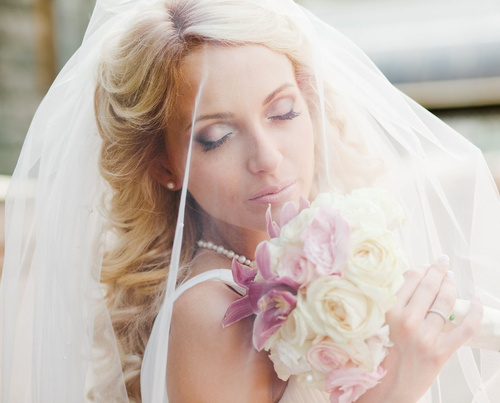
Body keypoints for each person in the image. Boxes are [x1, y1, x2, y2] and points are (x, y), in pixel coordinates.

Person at [2, 0, 500, 402]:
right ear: (163, 165)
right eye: (217, 137)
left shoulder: (320, 253)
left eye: (283, 112)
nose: (267, 157)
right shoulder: (212, 314)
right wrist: (393, 390)